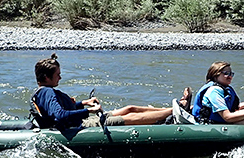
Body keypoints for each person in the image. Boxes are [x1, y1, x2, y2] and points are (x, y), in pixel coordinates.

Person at [31, 53, 176, 129]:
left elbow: (62, 109)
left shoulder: (45, 92)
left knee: (129, 108)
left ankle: (171, 109)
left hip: (85, 119)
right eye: (57, 75)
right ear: (46, 77)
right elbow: (60, 116)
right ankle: (175, 111)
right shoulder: (47, 93)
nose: (60, 77)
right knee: (128, 117)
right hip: (84, 124)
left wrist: (85, 103)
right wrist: (90, 111)